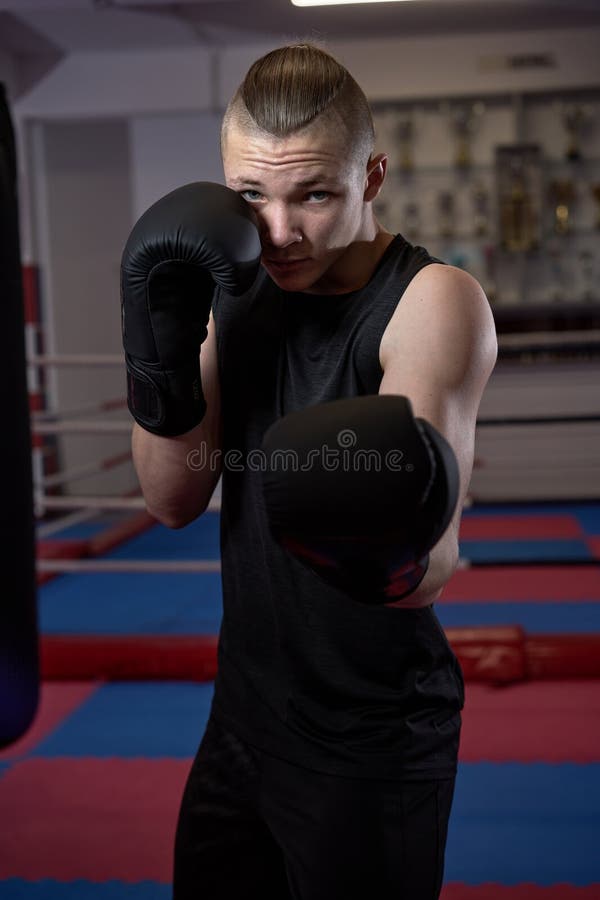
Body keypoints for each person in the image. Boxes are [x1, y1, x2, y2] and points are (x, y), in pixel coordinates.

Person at [121, 43, 497, 900]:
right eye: (251, 194)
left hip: (372, 736)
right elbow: (170, 497)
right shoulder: (233, 285)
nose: (279, 232)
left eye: (314, 194)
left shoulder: (431, 300)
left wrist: (367, 516)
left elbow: (429, 572)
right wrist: (160, 363)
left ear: (371, 177)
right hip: (243, 720)